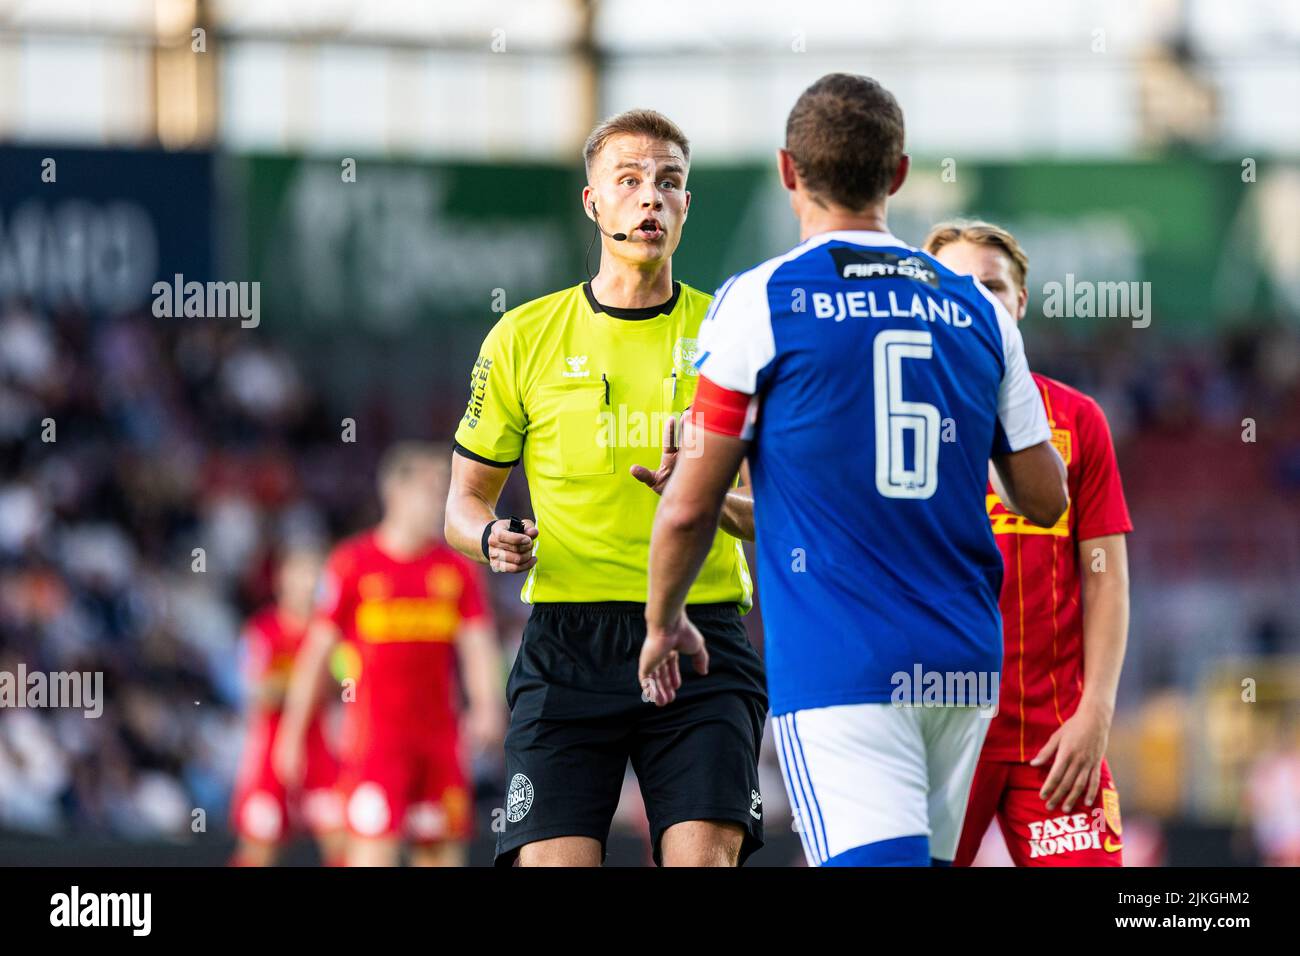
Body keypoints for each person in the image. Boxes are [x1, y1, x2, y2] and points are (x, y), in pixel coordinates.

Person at [640, 73, 1067, 866]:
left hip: (843, 666)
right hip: (963, 664)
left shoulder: (760, 300)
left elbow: (689, 507)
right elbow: (1044, 498)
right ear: (899, 174)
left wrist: (664, 621)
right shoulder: (976, 308)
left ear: (787, 170)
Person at [445, 108, 765, 867]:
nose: (650, 198)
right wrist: (488, 537)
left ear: (688, 205)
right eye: (629, 181)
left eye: (669, 182)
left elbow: (775, 511)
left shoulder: (734, 334)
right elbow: (462, 504)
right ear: (593, 203)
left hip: (701, 638)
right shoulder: (523, 336)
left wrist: (705, 499)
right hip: (567, 643)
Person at [924, 220, 1131, 866]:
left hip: (1055, 738)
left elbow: (1105, 577)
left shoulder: (1076, 420)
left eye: (993, 286)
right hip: (941, 735)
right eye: (956, 286)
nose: (976, 299)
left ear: (1020, 302)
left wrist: (1095, 711)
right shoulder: (897, 419)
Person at [274, 443, 503, 866]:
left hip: (439, 741)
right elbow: (315, 655)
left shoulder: (456, 571)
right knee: (371, 855)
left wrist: (487, 706)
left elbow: (477, 644)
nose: (441, 501)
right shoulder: (352, 565)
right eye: (432, 489)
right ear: (396, 492)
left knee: (441, 856)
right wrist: (292, 733)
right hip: (375, 744)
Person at [230, 547, 344, 866]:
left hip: (321, 752)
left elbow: (346, 682)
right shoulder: (263, 630)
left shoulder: (331, 634)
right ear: (283, 580)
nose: (308, 584)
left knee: (342, 843)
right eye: (301, 574)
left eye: (314, 575)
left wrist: (296, 684)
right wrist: (308, 682)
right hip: (271, 752)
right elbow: (258, 691)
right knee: (259, 847)